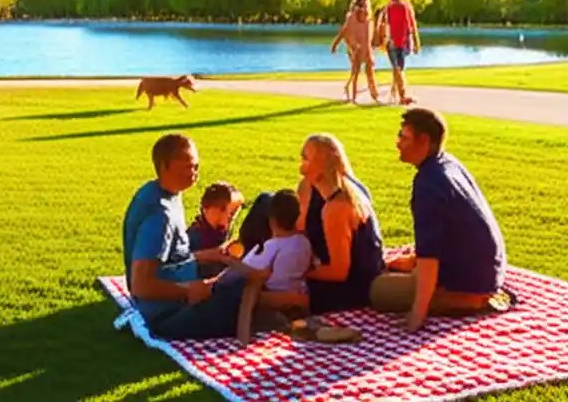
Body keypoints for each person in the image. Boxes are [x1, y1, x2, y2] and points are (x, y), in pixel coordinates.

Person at [370, 108, 506, 332]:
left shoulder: (428, 186)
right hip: (487, 273)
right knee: (397, 266)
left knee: (377, 290)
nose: (398, 143)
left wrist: (417, 313)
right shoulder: (448, 164)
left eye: (404, 137)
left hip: (466, 286)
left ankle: (453, 300)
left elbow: (430, 258)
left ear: (423, 141)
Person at [121, 133, 244, 339]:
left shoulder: (162, 192)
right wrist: (189, 291)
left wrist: (208, 255)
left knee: (235, 273)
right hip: (167, 315)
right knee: (241, 290)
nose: (195, 172)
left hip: (179, 286)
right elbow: (141, 285)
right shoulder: (160, 215)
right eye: (189, 166)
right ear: (165, 166)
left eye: (196, 165)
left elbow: (172, 258)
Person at [295, 133, 386, 313]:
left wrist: (300, 271)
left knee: (276, 295)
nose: (301, 168)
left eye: (305, 159)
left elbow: (339, 272)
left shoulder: (336, 207)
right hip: (358, 277)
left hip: (353, 290)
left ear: (321, 166)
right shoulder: (344, 190)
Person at [213, 189, 314, 345]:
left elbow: (247, 271)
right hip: (296, 292)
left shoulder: (272, 246)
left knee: (242, 291)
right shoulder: (304, 242)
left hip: (270, 296)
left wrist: (227, 260)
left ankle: (245, 336)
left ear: (272, 220)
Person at [330, 0, 380, 104]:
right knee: (355, 72)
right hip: (356, 47)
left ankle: (374, 95)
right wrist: (335, 44)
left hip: (366, 47)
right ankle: (354, 97)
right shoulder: (353, 15)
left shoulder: (368, 15)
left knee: (370, 72)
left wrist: (374, 44)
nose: (364, 1)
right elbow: (344, 31)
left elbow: (370, 31)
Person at [187, 181, 245, 277]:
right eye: (223, 210)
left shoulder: (223, 233)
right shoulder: (194, 236)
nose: (230, 218)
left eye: (233, 214)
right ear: (206, 209)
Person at [376, 0, 421, 105]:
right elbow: (410, 26)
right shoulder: (405, 7)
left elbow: (382, 25)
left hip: (391, 42)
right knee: (399, 69)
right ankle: (401, 96)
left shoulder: (388, 7)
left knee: (396, 69)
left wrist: (381, 41)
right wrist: (416, 42)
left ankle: (397, 94)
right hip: (402, 42)